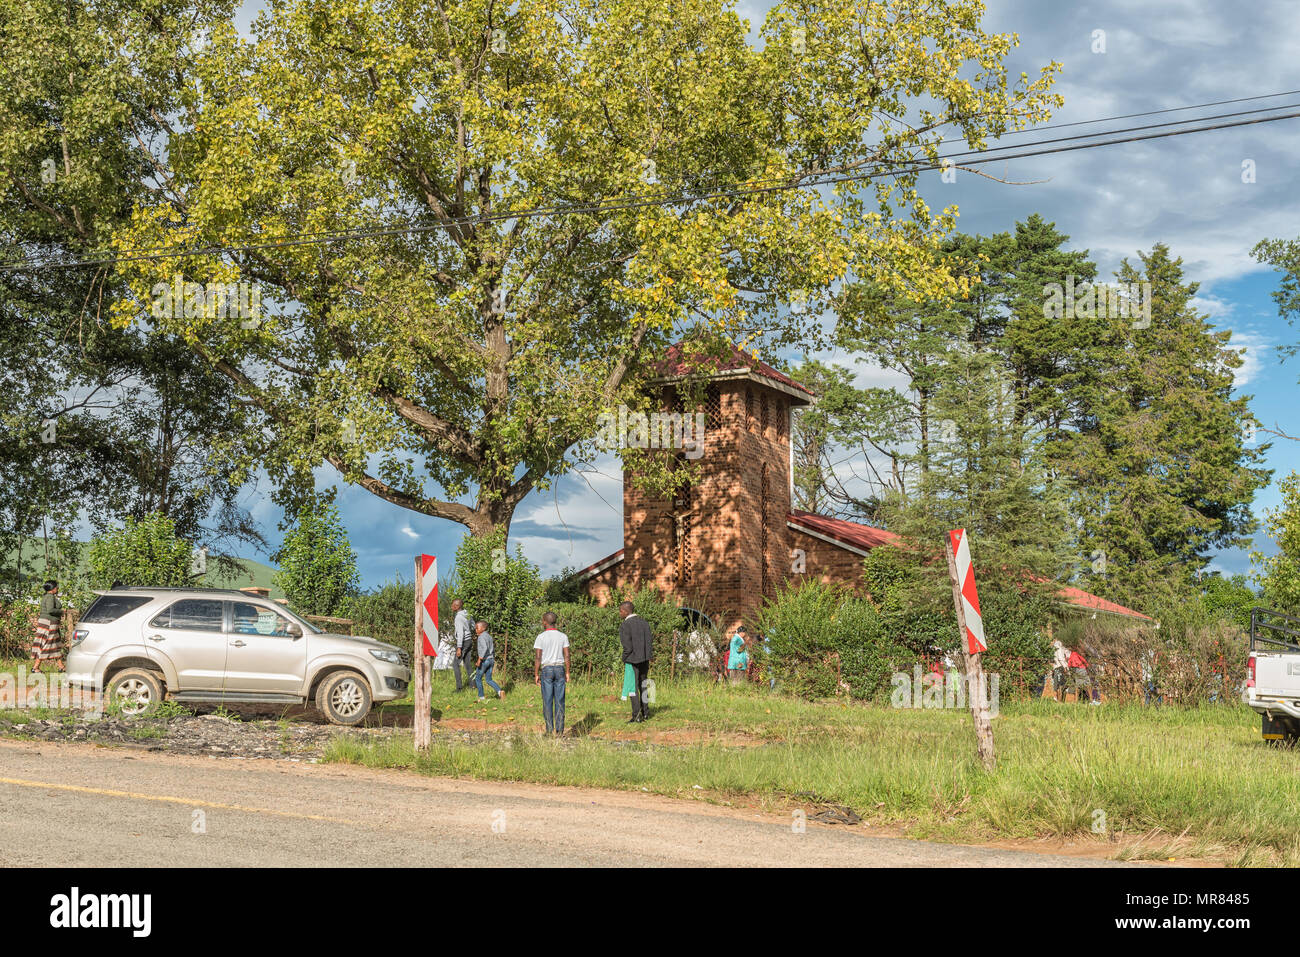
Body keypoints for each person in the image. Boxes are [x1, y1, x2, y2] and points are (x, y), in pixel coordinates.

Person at [533, 611, 570, 735]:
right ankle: (559, 731)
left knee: (547, 700)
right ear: (555, 622)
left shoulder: (541, 637)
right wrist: (568, 672)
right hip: (560, 669)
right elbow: (567, 655)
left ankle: (549, 730)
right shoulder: (563, 636)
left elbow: (538, 657)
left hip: (547, 669)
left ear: (544, 622)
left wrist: (536, 673)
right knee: (560, 700)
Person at [618, 601, 653, 723]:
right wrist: (649, 656)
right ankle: (646, 713)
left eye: (620, 611)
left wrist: (624, 658)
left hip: (632, 660)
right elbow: (649, 642)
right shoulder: (644, 623)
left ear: (626, 611)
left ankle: (636, 715)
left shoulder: (625, 625)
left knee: (632, 687)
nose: (619, 613)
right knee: (643, 685)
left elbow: (627, 647)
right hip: (645, 659)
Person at [32, 580, 63, 673]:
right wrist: (62, 611)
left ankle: (61, 666)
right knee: (47, 644)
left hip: (47, 622)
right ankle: (35, 667)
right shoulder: (50, 597)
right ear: (52, 589)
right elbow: (50, 610)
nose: (57, 588)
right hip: (49, 623)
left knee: (55, 643)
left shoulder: (47, 596)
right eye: (56, 587)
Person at [472, 620, 504, 701]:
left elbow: (485, 648)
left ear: (483, 628)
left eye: (477, 628)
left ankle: (481, 697)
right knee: (489, 679)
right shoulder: (489, 636)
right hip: (491, 660)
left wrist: (479, 659)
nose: (476, 630)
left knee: (478, 678)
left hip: (485, 660)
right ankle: (500, 691)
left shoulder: (481, 637)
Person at [452, 598, 474, 692]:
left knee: (455, 664)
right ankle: (473, 686)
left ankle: (459, 688)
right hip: (469, 640)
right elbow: (473, 625)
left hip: (464, 641)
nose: (451, 606)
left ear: (457, 606)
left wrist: (459, 648)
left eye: (453, 605)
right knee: (468, 665)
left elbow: (460, 633)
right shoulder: (468, 614)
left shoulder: (458, 618)